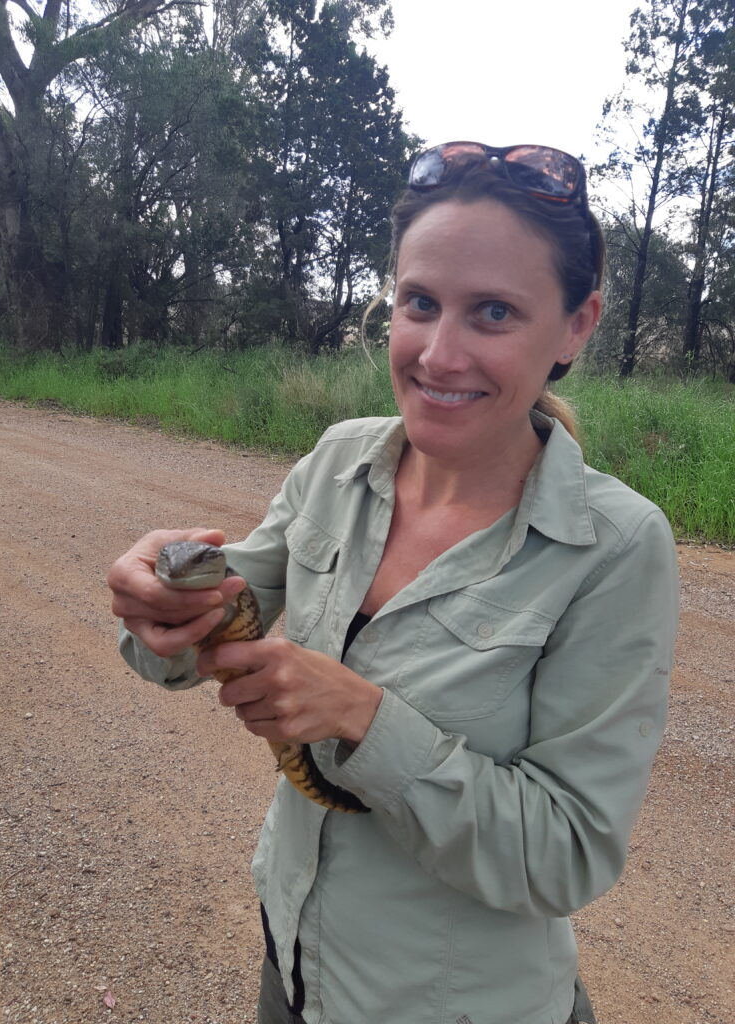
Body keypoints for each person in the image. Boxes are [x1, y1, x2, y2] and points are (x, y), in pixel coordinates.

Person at [108, 141, 680, 1024]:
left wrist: (364, 718)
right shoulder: (339, 459)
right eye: (420, 303)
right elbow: (213, 622)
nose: (439, 355)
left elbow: (567, 853)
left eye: (493, 312)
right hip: (292, 966)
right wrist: (162, 600)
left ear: (577, 326)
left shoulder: (616, 547)